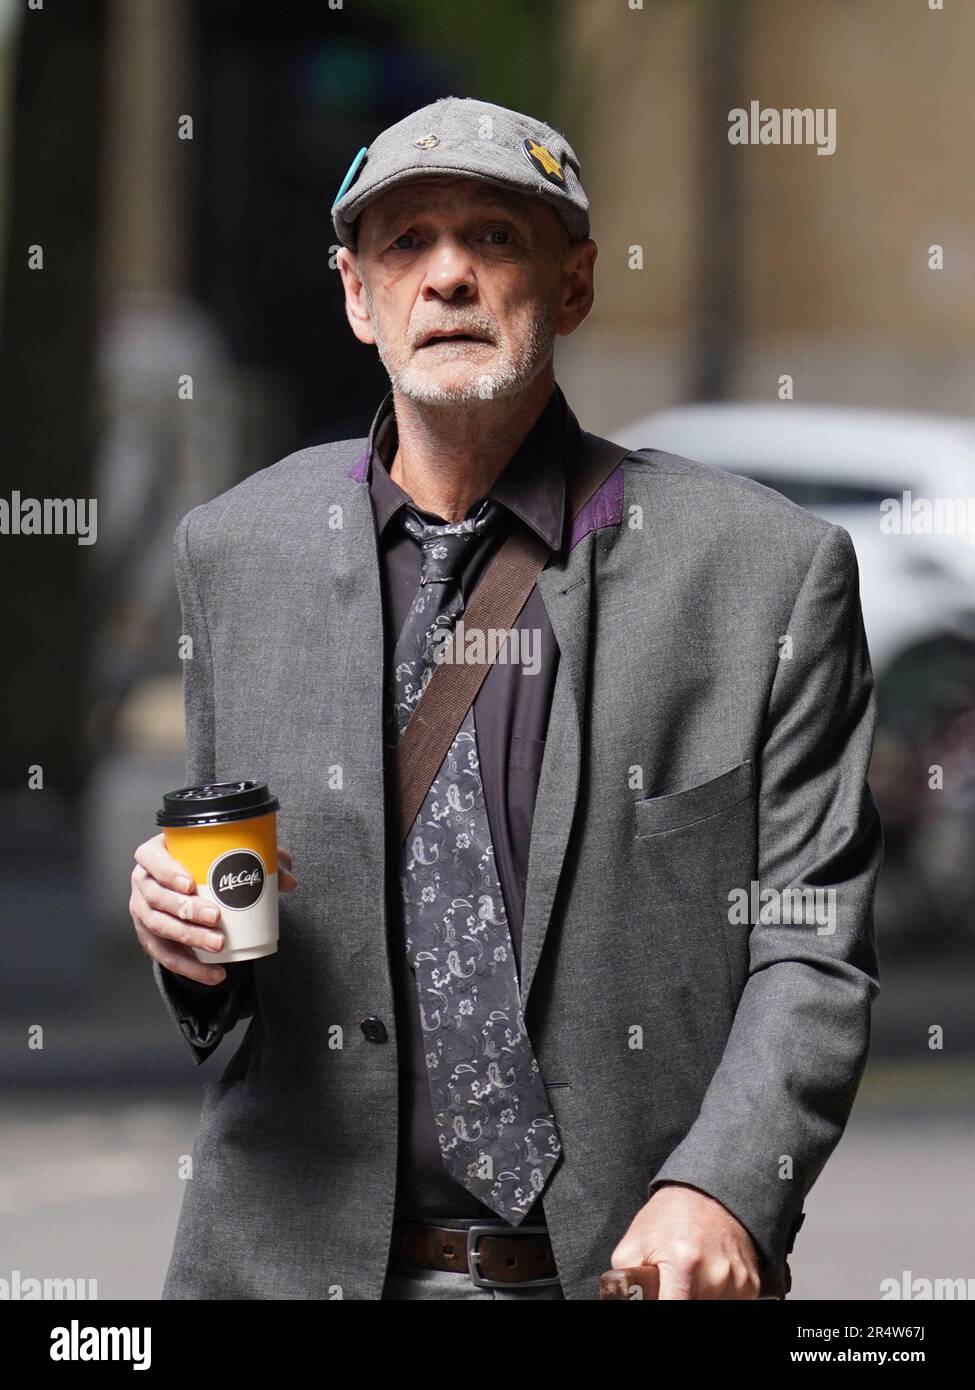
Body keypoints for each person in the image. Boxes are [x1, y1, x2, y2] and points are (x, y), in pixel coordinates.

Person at [129, 96, 883, 1301]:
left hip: (615, 1275)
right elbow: (248, 957)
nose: (447, 277)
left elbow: (811, 944)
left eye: (493, 238)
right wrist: (189, 946)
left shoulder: (762, 573)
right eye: (405, 243)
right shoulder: (235, 552)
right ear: (355, 295)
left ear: (572, 285)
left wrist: (728, 1183)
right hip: (286, 1268)